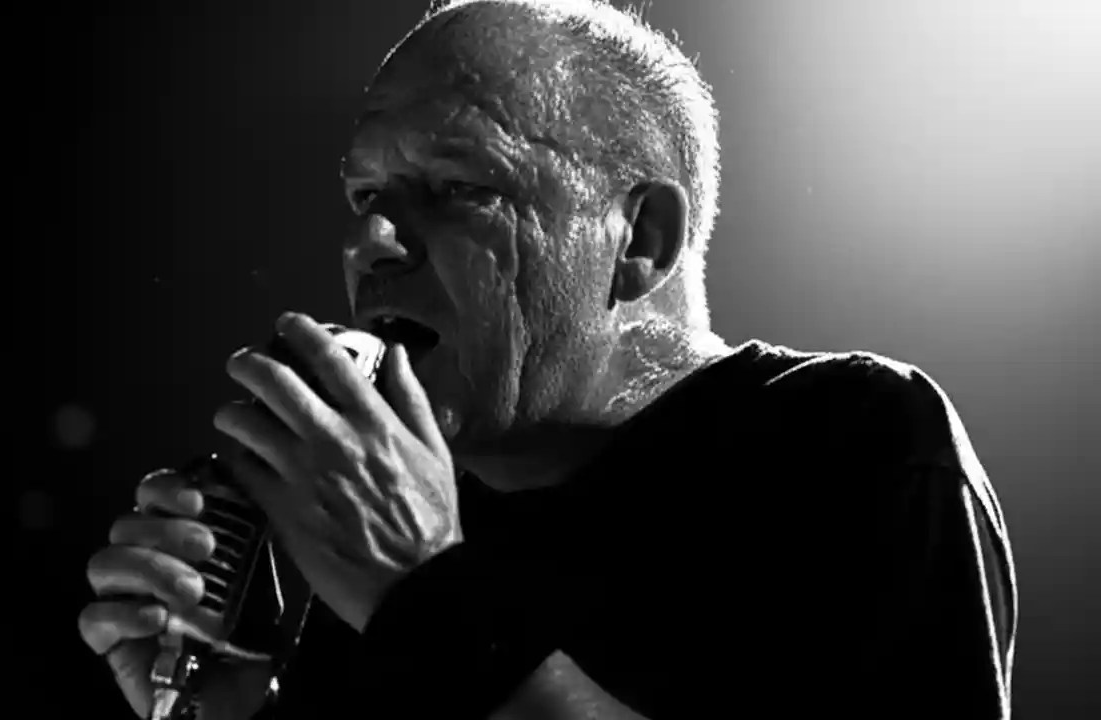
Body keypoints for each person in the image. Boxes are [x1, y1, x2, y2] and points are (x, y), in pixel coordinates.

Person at [78, 0, 1018, 718]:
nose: (372, 240)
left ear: (640, 237)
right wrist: (237, 710)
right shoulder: (358, 524)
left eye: (456, 187)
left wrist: (426, 595)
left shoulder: (848, 441)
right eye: (366, 192)